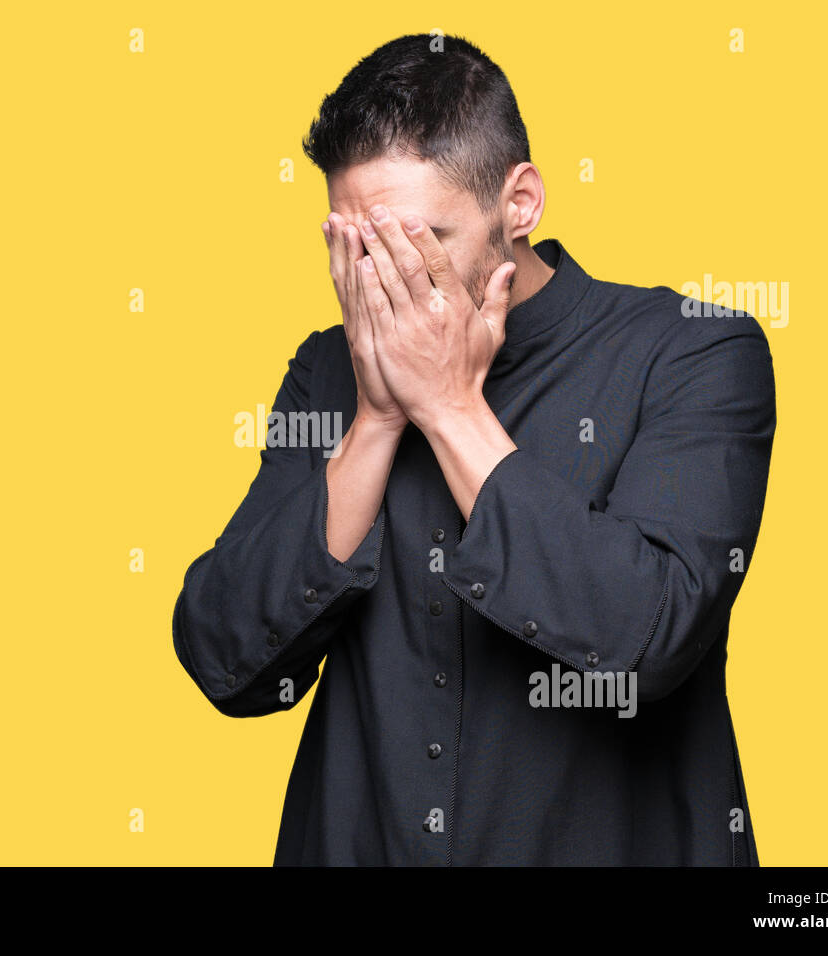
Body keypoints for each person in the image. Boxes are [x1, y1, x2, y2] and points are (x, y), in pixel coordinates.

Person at [172, 33, 776, 866]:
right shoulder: (327, 370)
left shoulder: (692, 352)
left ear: (519, 202)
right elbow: (224, 658)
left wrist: (451, 407)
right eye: (360, 252)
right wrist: (377, 420)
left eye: (425, 243)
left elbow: (653, 636)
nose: (392, 285)